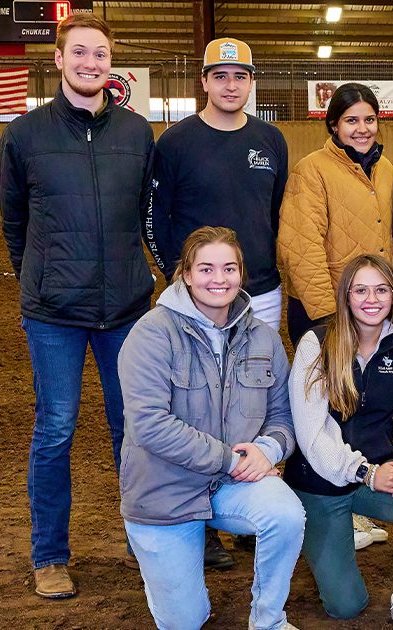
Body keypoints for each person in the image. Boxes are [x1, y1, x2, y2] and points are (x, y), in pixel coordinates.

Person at [0, 13, 155, 599]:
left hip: (127, 313)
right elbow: (15, 224)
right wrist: (41, 281)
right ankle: (49, 555)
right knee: (56, 429)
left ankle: (150, 542)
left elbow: (143, 213)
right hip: (54, 315)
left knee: (133, 431)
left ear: (111, 64)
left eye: (102, 54)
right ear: (59, 60)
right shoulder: (23, 136)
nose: (92, 63)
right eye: (81, 52)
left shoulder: (137, 134)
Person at [144, 36, 289, 567]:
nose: (231, 85)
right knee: (194, 404)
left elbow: (274, 213)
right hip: (194, 297)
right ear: (203, 81)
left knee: (254, 402)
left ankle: (250, 510)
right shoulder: (176, 142)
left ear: (252, 82)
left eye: (241, 76)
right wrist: (179, 279)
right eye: (220, 75)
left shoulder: (270, 139)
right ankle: (198, 517)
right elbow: (155, 218)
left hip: (262, 295)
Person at [117, 227, 304, 630]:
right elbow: (149, 424)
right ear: (185, 274)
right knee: (185, 622)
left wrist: (268, 451)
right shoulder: (151, 334)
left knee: (286, 515)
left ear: (241, 274)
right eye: (206, 268)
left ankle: (268, 621)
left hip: (230, 483)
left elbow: (283, 415)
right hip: (164, 492)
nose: (218, 279)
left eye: (229, 268)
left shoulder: (263, 337)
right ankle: (169, 583)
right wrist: (230, 458)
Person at [284, 254, 393, 630]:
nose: (371, 299)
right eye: (361, 290)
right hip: (320, 481)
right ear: (346, 296)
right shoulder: (316, 344)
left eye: (381, 289)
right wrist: (365, 472)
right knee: (345, 606)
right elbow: (311, 433)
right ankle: (326, 532)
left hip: (380, 472)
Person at [279, 83, 393, 347]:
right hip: (328, 309)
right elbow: (301, 247)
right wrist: (327, 316)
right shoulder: (311, 170)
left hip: (373, 305)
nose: (363, 129)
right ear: (334, 124)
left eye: (370, 120)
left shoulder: (386, 169)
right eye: (351, 120)